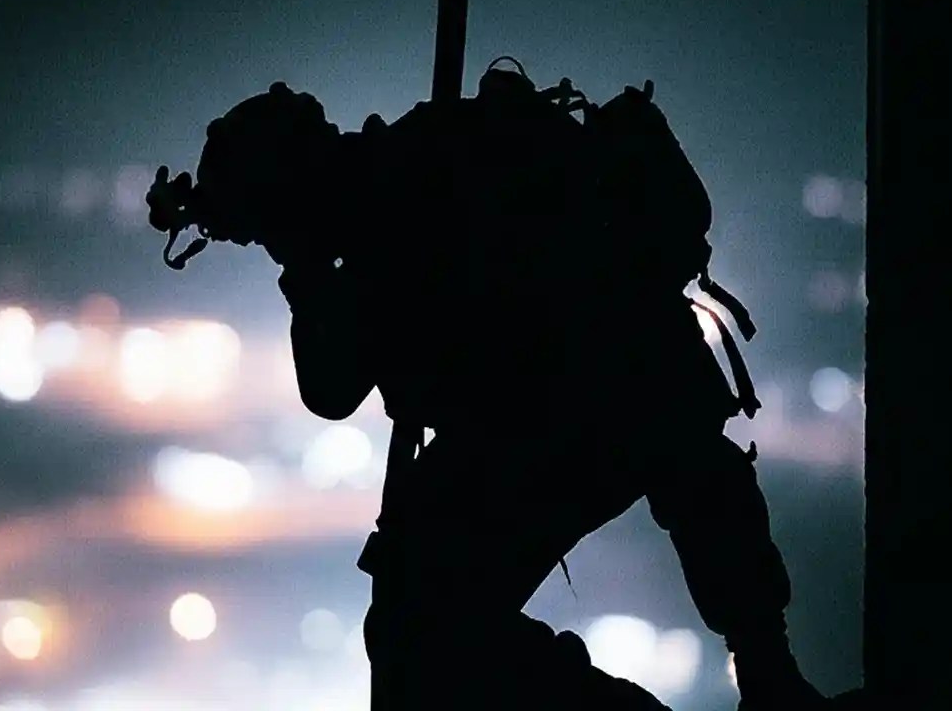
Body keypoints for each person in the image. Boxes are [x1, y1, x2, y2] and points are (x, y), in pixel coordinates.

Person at [160, 73, 828, 710]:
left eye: (267, 222)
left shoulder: (392, 203)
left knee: (420, 623)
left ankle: (760, 679)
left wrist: (303, 267)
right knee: (419, 617)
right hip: (586, 400)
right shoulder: (405, 170)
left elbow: (331, 389)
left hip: (579, 402)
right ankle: (767, 674)